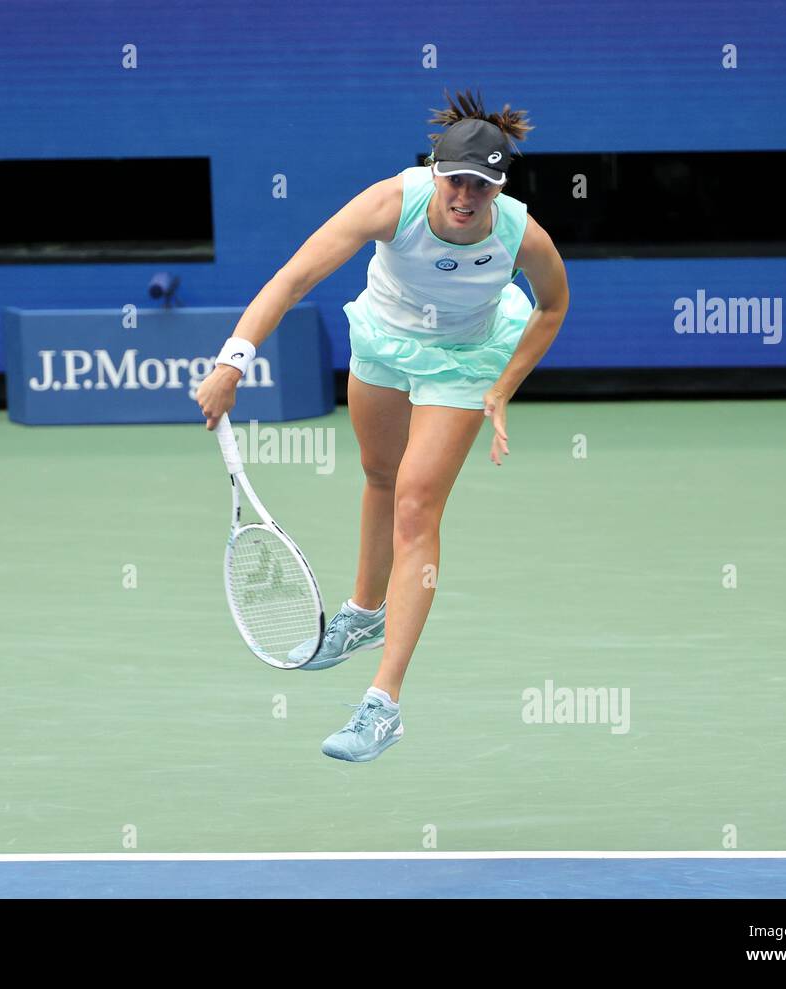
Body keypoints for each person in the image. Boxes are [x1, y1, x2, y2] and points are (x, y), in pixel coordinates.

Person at [196, 89, 569, 762]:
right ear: (434, 169)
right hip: (386, 341)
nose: (465, 196)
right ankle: (362, 615)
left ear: (499, 187)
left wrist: (503, 387)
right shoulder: (387, 206)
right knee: (378, 474)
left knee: (416, 506)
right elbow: (292, 278)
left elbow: (552, 306)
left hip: (464, 360)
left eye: (481, 186)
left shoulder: (520, 233)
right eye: (456, 180)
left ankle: (383, 703)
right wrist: (233, 362)